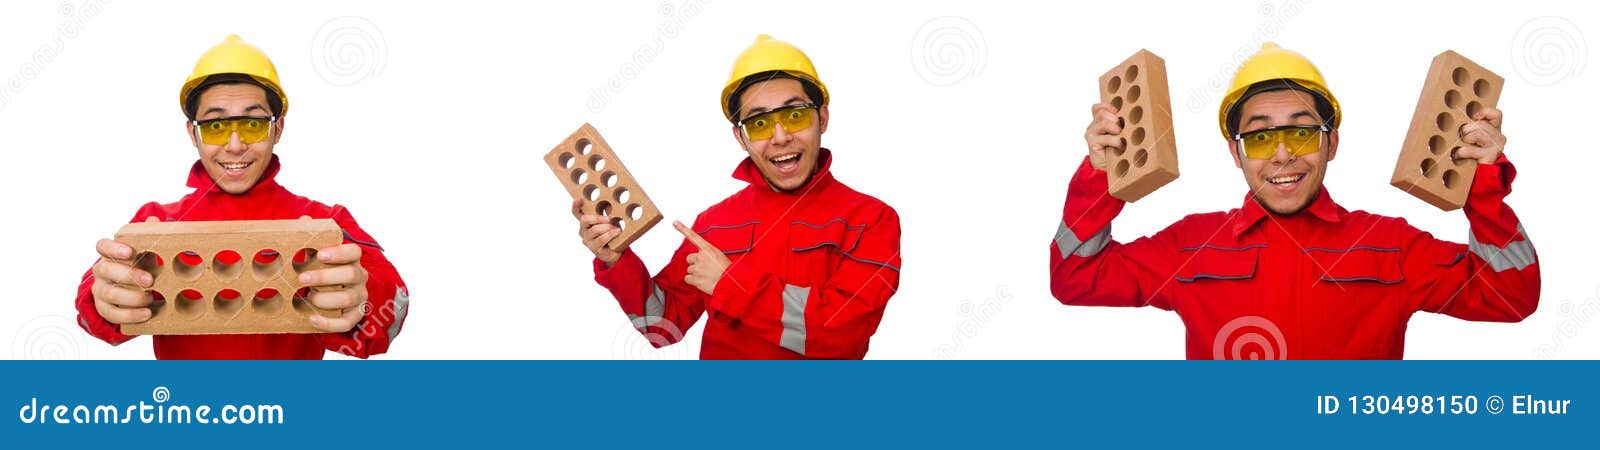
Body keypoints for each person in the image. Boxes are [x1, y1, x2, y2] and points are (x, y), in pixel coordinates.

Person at [1049, 43, 1538, 359]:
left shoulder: (1390, 245)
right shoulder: (1192, 245)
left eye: (1302, 132)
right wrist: (1099, 174)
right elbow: (1076, 279)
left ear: (1332, 143)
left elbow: (1511, 297)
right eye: (1260, 138)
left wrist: (1483, 185)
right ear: (1236, 154)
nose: (1283, 154)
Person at [75, 35, 410, 359]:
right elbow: (91, 310)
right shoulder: (158, 222)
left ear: (276, 130)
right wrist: (103, 296)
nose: (235, 145)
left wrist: (363, 297)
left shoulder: (325, 222)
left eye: (252, 124)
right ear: (193, 134)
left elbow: (392, 307)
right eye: (216, 126)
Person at [575, 35, 902, 359]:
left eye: (795, 115)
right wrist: (616, 260)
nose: (780, 136)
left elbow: (843, 336)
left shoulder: (870, 219)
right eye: (759, 123)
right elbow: (663, 328)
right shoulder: (713, 223)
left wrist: (731, 286)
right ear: (740, 138)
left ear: (823, 119)